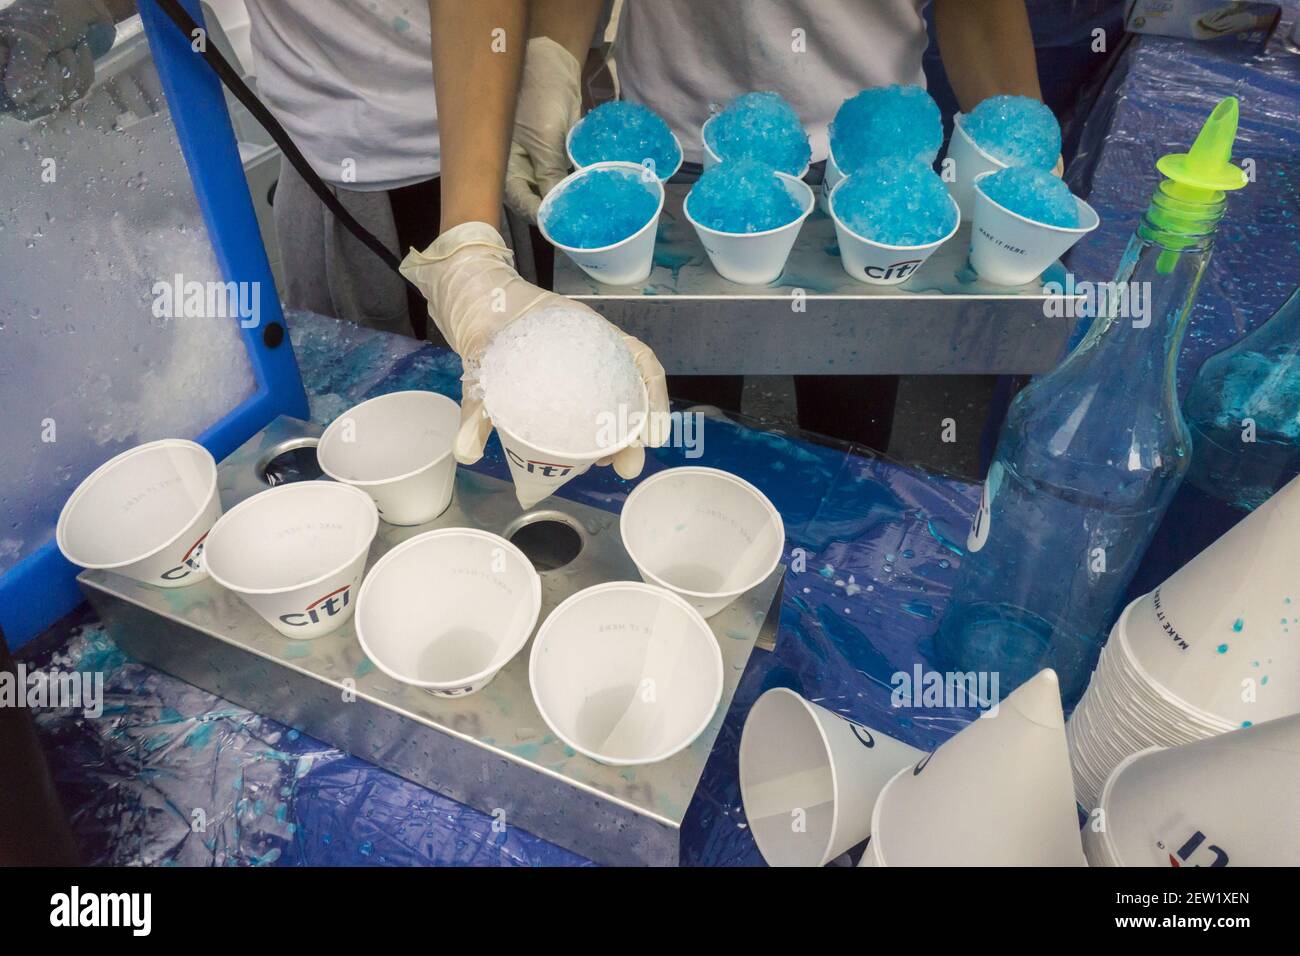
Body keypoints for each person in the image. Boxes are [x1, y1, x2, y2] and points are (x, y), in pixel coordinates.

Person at [505, 0, 1050, 451]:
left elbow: (979, 10)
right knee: (686, 419)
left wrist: (1023, 149)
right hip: (673, 150)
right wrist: (549, 53)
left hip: (876, 164)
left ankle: (836, 555)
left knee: (848, 432)